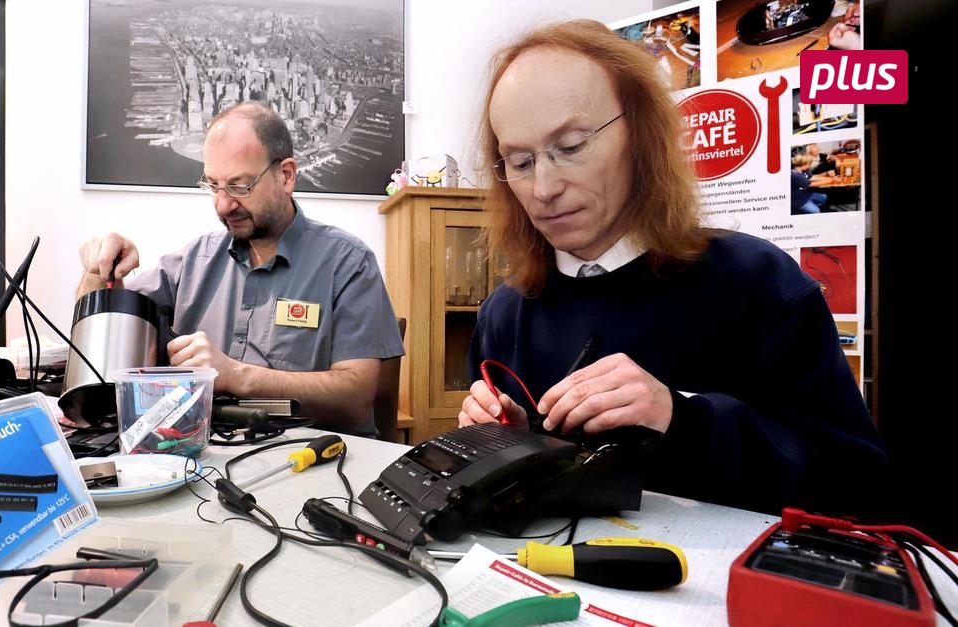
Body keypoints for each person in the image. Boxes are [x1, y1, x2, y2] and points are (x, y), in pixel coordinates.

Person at [457, 20, 885, 515]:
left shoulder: (759, 283)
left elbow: (854, 482)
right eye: (520, 162)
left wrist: (685, 420)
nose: (544, 188)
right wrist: (500, 448)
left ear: (642, 135)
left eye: (571, 147)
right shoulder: (504, 314)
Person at [78, 102, 404, 437]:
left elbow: (355, 398)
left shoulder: (347, 262)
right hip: (202, 453)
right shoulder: (194, 260)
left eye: (239, 186)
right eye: (213, 185)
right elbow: (97, 332)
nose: (223, 205)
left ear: (286, 175)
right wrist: (99, 269)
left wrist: (236, 375)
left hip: (310, 454)